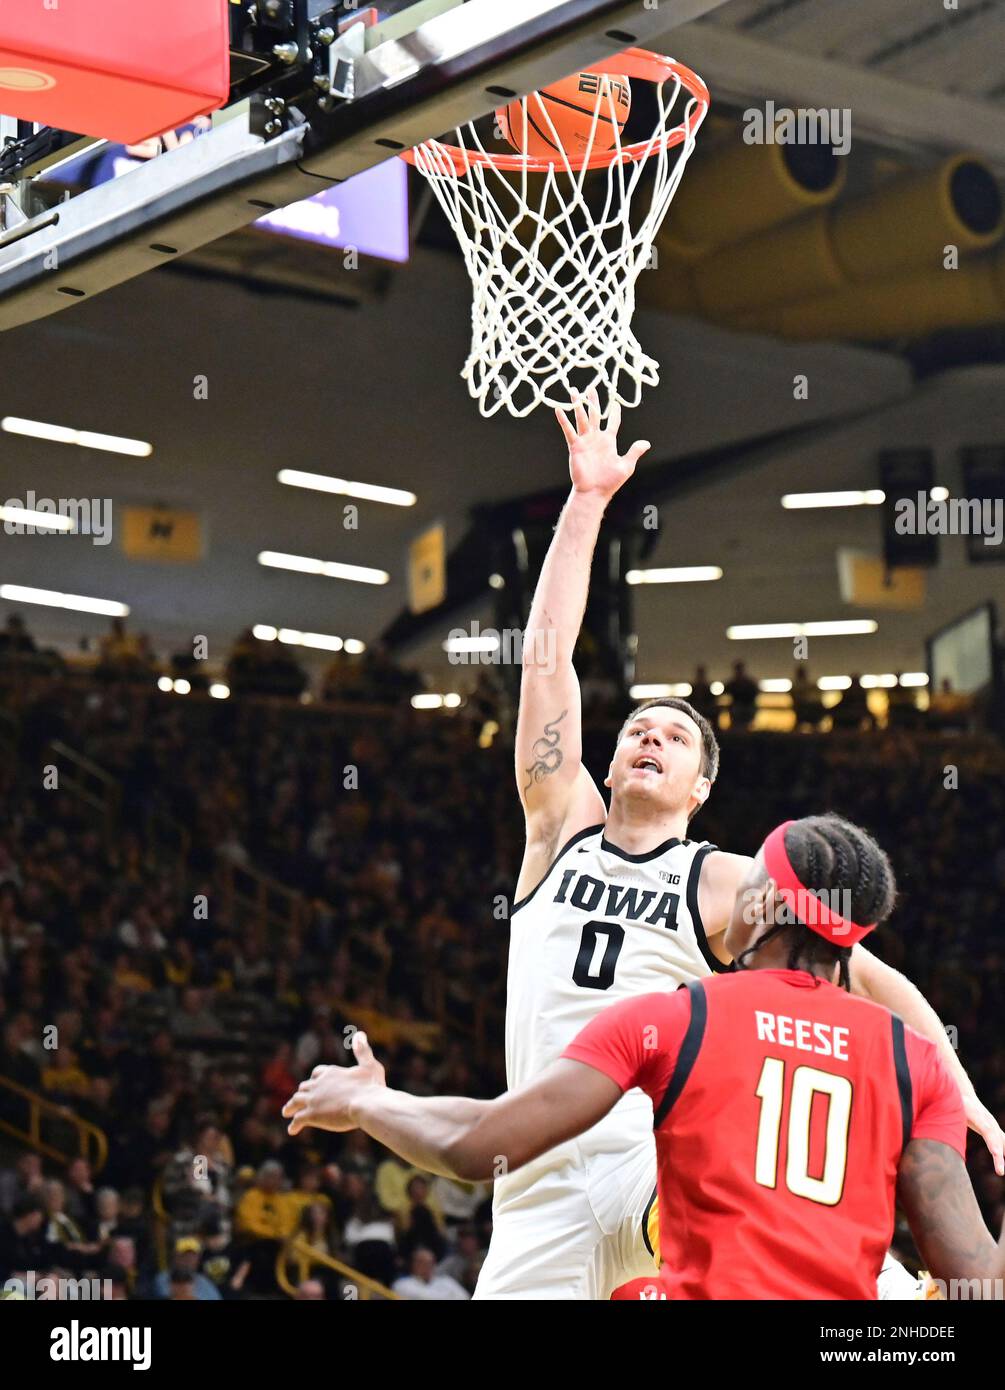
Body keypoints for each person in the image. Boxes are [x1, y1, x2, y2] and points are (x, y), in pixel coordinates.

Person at [382, 389, 1000, 1300]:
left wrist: (967, 1097)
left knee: (807, 1263)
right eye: (636, 726)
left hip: (648, 1162)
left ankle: (907, 1298)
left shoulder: (726, 883)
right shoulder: (557, 825)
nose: (647, 737)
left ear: (701, 786)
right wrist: (585, 503)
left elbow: (870, 976)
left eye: (673, 736)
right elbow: (545, 657)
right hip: (536, 1178)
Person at [282, 815, 1005, 1300]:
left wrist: (369, 1102)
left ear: (759, 907)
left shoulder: (678, 1016)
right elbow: (977, 1282)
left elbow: (480, 1144)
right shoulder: (917, 1064)